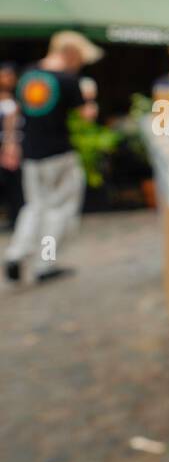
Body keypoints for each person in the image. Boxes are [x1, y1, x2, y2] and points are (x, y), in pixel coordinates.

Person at [3, 30, 101, 284]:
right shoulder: (68, 80)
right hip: (59, 152)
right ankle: (44, 264)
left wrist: (11, 143)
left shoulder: (27, 74)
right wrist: (89, 100)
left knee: (34, 205)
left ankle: (16, 253)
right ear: (71, 53)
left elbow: (15, 111)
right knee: (59, 208)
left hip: (30, 151)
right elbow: (86, 115)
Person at [0, 63, 22, 230]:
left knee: (15, 185)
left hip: (15, 147)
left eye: (9, 75)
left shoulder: (20, 98)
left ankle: (17, 218)